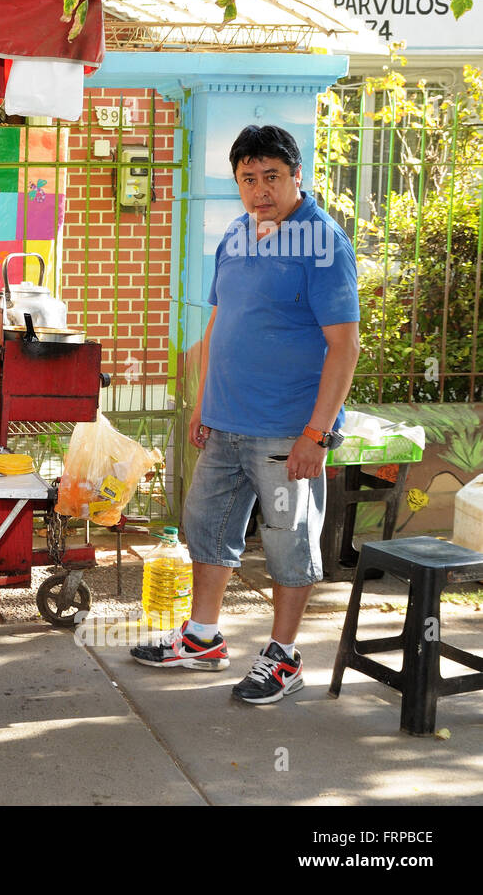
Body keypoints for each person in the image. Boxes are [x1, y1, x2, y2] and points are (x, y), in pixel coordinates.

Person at [130, 124, 360, 704]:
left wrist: (317, 433)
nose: (260, 190)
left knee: (288, 543)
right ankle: (202, 638)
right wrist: (204, 402)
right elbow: (218, 322)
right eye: (248, 179)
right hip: (226, 423)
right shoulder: (235, 236)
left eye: (272, 177)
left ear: (296, 175)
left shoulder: (323, 242)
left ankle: (283, 658)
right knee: (206, 529)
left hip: (288, 432)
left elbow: (344, 345)